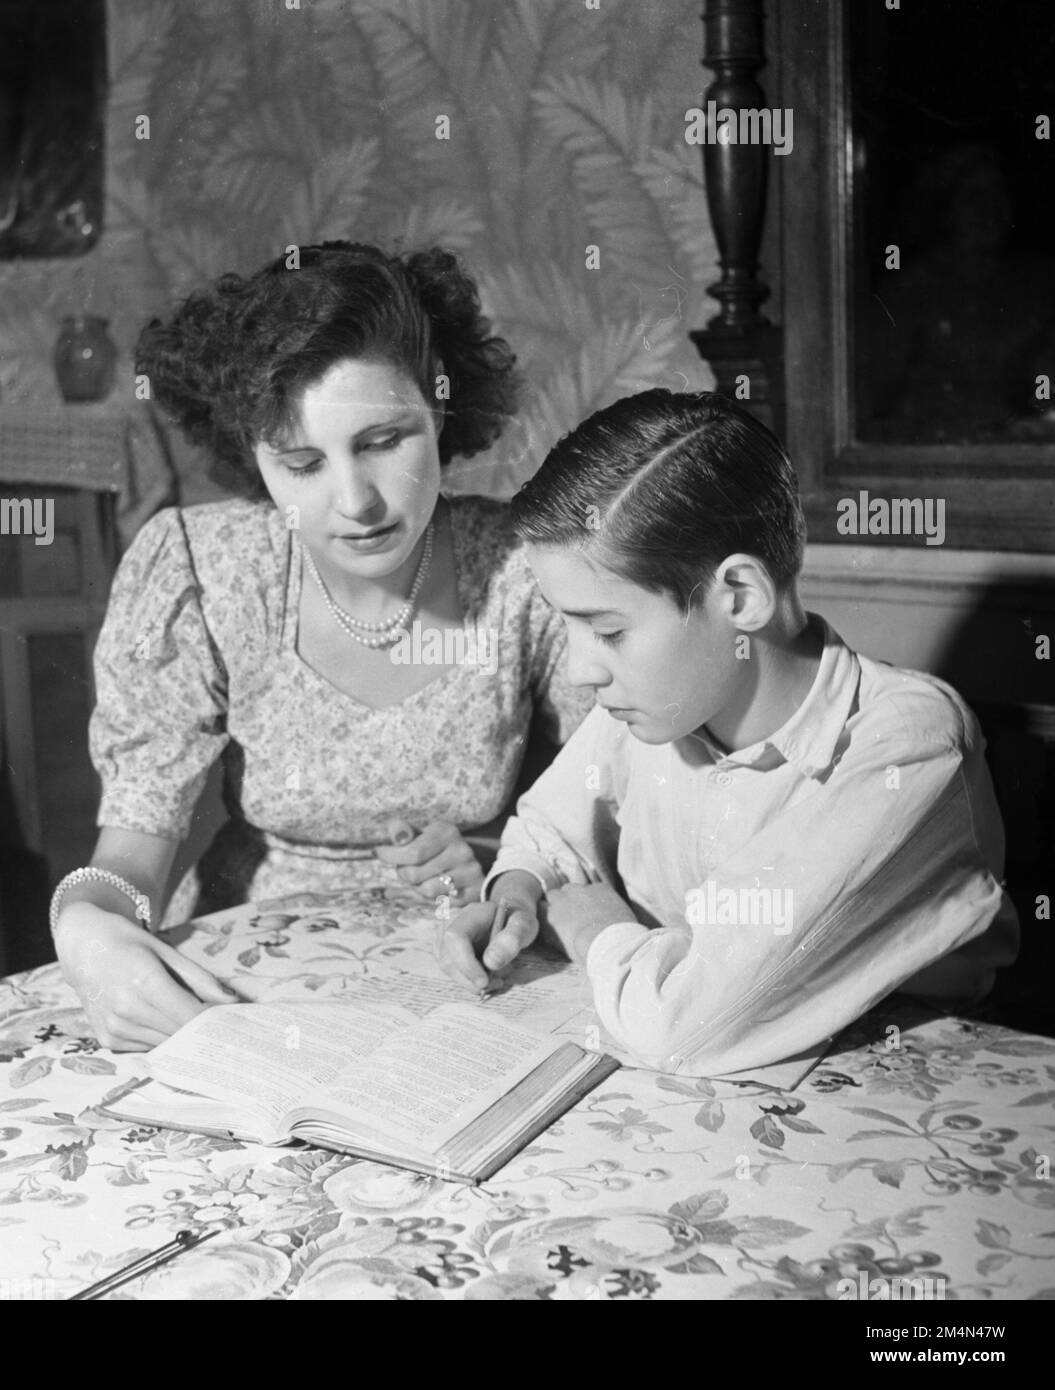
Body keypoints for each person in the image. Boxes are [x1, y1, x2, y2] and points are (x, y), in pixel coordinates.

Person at [49, 241, 592, 1051]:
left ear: (440, 411)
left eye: (382, 441)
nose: (355, 501)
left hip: (469, 976)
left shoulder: (526, 566)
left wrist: (507, 857)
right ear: (255, 458)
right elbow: (130, 854)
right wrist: (86, 924)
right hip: (243, 985)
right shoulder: (203, 568)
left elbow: (613, 812)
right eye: (301, 462)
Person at [436, 389, 1019, 1076]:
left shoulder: (906, 748)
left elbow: (680, 1028)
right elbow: (548, 832)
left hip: (900, 1084)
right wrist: (519, 895)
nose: (581, 667)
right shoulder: (659, 701)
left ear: (738, 596)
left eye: (607, 630)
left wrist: (589, 925)